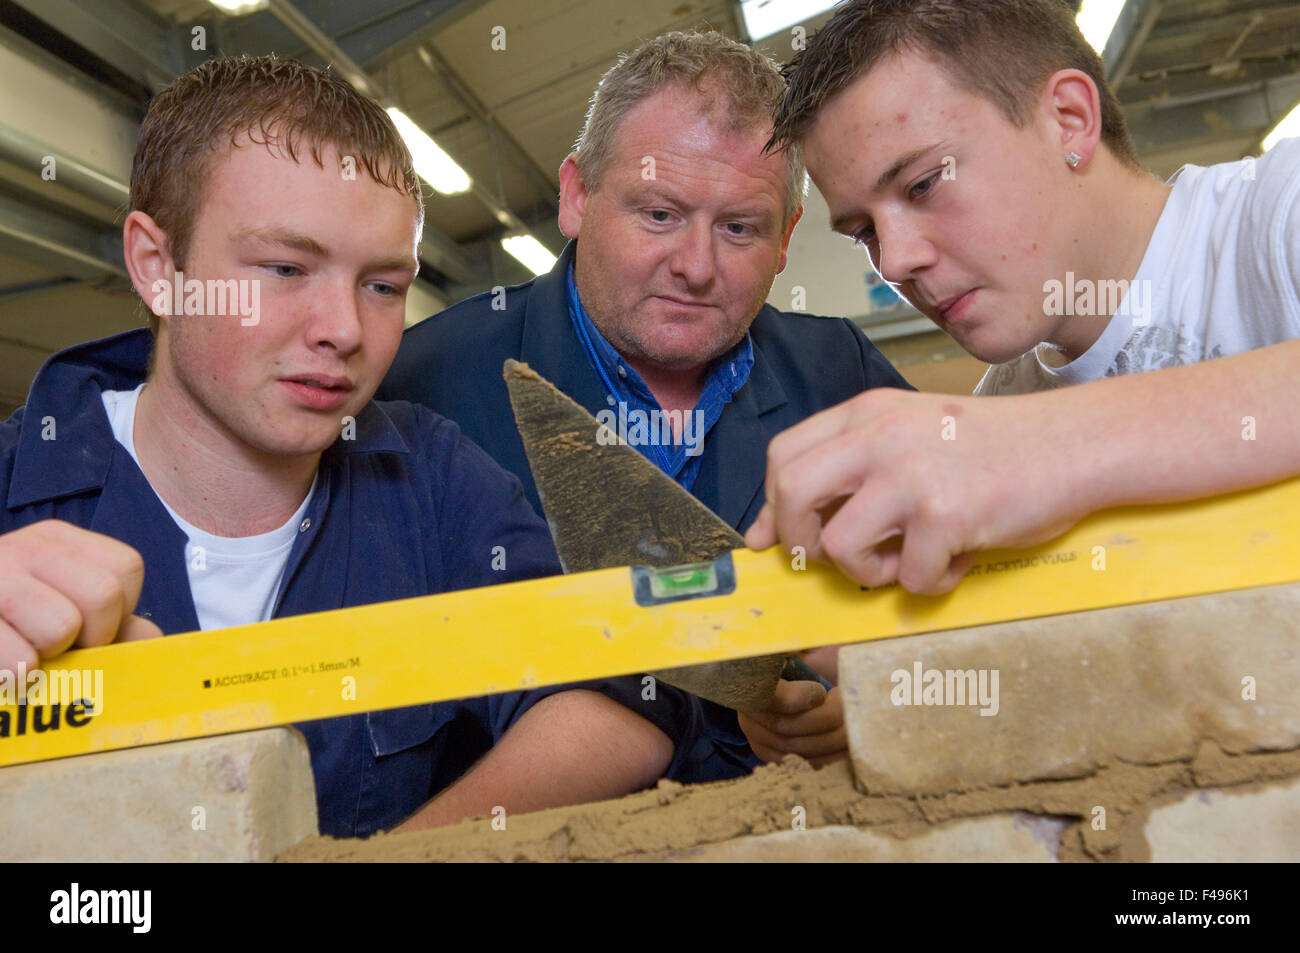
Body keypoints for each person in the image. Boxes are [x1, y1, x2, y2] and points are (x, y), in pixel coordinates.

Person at [0, 55, 707, 839]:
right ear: (157, 267)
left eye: (382, 285)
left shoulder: (432, 480)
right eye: (285, 267)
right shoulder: (12, 490)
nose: (342, 328)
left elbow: (619, 705)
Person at [380, 31, 913, 780]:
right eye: (659, 214)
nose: (696, 267)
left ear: (787, 237)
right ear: (576, 195)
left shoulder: (842, 373)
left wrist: (851, 696)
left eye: (739, 228)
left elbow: (949, 615)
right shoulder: (419, 388)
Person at [748, 0, 1300, 593]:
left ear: (1068, 119)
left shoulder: (1275, 211)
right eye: (865, 232)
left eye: (924, 184)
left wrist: (1054, 444)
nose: (895, 260)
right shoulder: (999, 416)